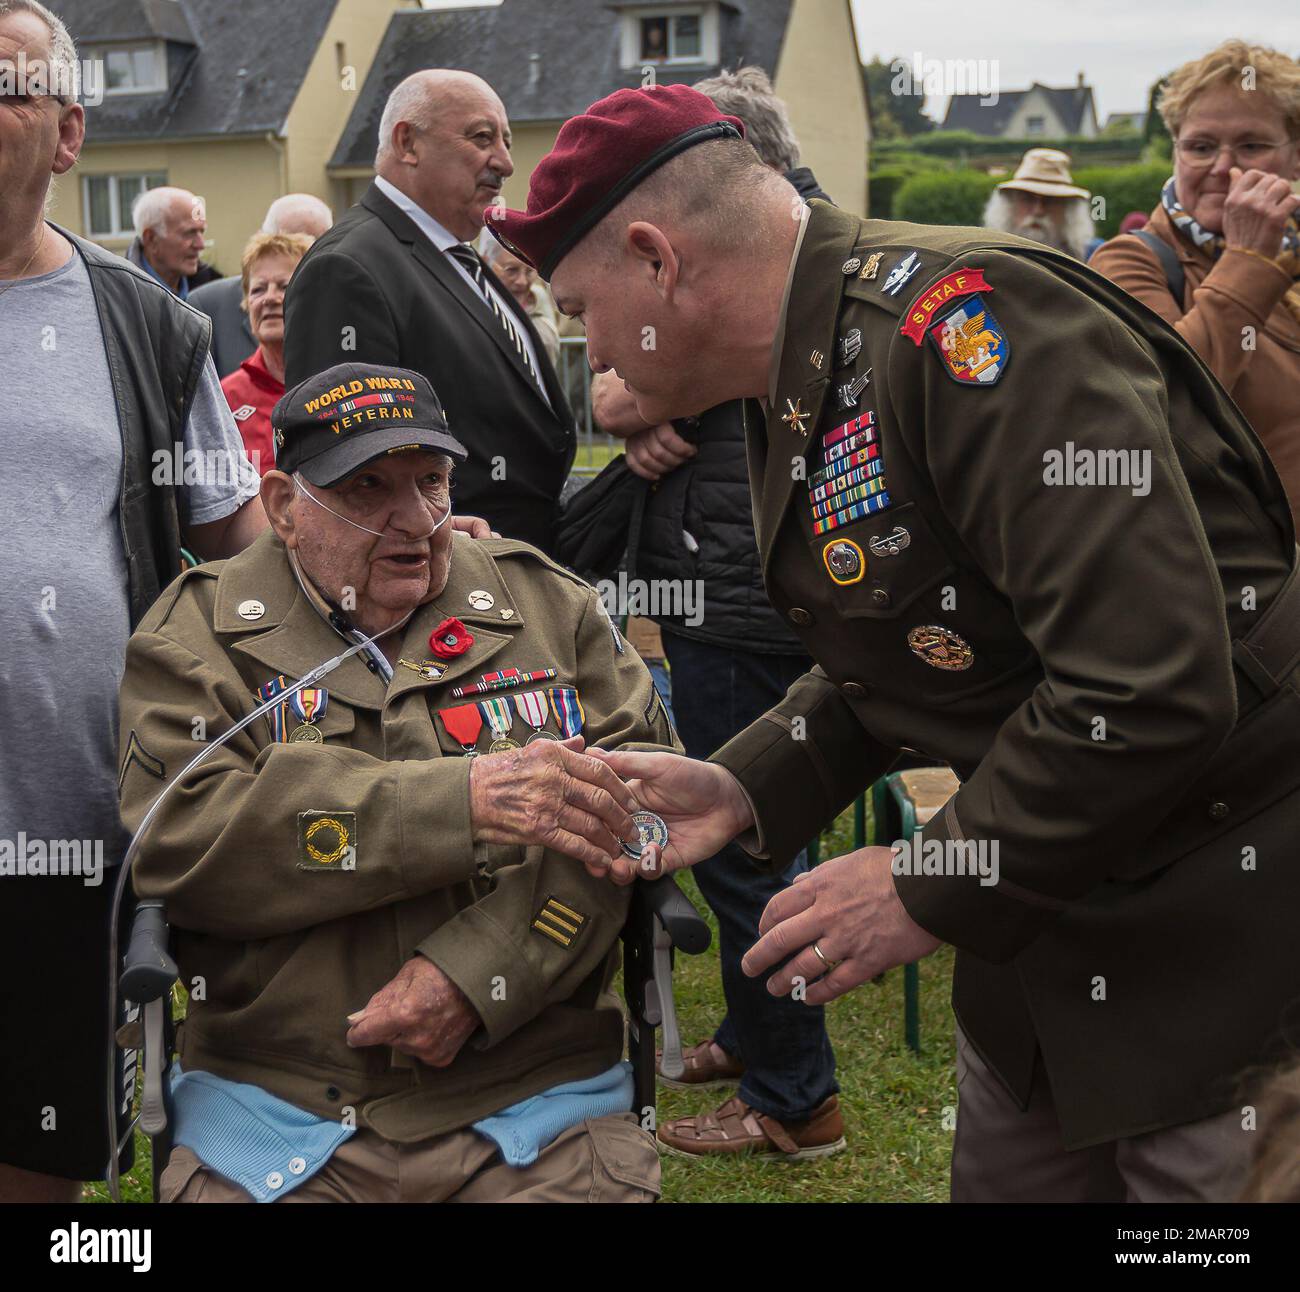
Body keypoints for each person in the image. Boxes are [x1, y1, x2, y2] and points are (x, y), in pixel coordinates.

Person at [490, 83, 1300, 1202]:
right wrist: (743, 781)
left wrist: (928, 873)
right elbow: (919, 634)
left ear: (656, 259)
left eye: (581, 309)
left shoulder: (970, 328)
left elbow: (1148, 685)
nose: (588, 350)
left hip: (1212, 954)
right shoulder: (814, 363)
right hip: (1045, 944)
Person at [118, 361, 671, 1203]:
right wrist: (463, 802)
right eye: (368, 487)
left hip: (536, 1097)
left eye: (433, 482)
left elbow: (640, 815)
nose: (416, 521)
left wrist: (484, 974)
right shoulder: (196, 634)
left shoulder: (546, 608)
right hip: (276, 1105)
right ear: (282, 506)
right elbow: (184, 841)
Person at [0, 0, 266, 1204]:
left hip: (67, 827)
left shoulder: (150, 328)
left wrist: (379, 535)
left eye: (4, 86)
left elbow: (237, 550)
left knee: (46, 1146)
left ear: (67, 133)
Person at [588, 65, 843, 1161]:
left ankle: (796, 1095)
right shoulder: (793, 249)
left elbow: (625, 388)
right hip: (722, 585)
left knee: (744, 846)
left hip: (745, 599)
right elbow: (620, 390)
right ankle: (754, 1036)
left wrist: (645, 403)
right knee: (745, 833)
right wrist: (642, 407)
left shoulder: (775, 276)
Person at [285, 70, 575, 553]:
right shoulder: (348, 266)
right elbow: (345, 463)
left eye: (505, 141)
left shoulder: (456, 256)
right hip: (443, 584)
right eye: (481, 138)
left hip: (508, 569)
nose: (504, 162)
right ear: (408, 142)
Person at [1090, 41, 1300, 526]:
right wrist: (1247, 258)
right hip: (1244, 587)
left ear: (1295, 161)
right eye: (1200, 147)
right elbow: (1163, 406)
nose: (1223, 168)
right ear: (1176, 153)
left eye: (1251, 145)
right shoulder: (1131, 260)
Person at [191, 194, 333, 378]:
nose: (303, 259)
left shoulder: (346, 308)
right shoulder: (208, 306)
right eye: (287, 244)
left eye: (316, 247)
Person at [220, 231, 314, 474]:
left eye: (284, 286)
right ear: (246, 303)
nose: (269, 298)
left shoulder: (345, 385)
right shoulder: (225, 397)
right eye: (258, 289)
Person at [982, 148, 1095, 260]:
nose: (1038, 211)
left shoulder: (1094, 256)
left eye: (1051, 201)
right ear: (1009, 206)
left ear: (1069, 209)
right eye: (1027, 199)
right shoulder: (986, 254)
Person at [480, 236, 561, 366]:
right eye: (511, 270)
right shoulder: (471, 315)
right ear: (485, 263)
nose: (522, 281)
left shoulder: (542, 329)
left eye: (529, 271)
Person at [127, 185, 208, 299]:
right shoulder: (117, 294)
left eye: (201, 232)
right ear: (151, 239)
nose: (200, 245)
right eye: (189, 233)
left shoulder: (212, 292)